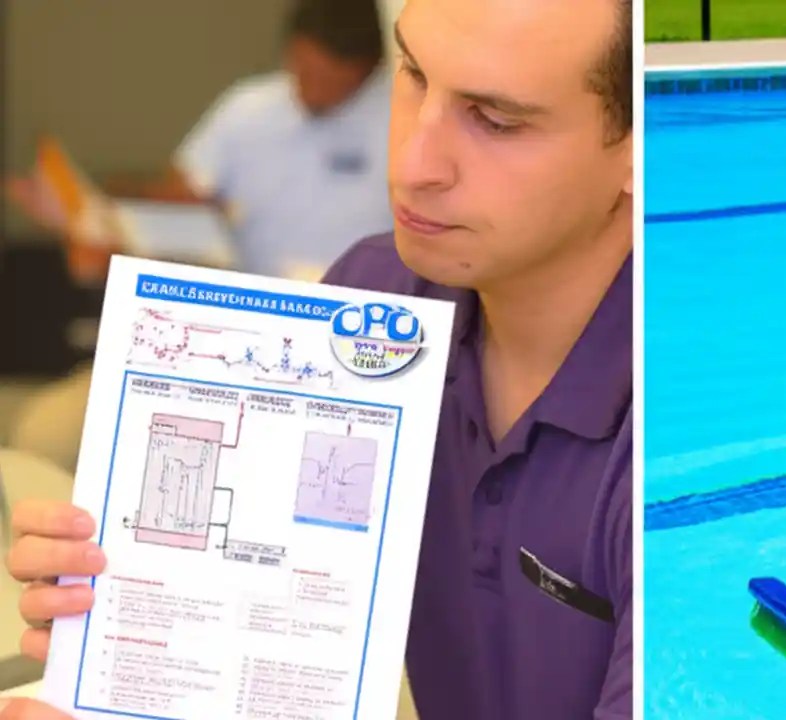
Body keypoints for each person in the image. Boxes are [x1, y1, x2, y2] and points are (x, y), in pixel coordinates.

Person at [0, 0, 633, 718]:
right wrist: (132, 629)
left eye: (495, 120)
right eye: (416, 75)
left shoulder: (683, 452)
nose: (413, 164)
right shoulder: (372, 300)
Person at [5, 0, 394, 280]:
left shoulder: (401, 115)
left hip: (364, 311)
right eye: (304, 72)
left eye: (331, 81)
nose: (312, 92)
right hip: (248, 301)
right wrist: (89, 216)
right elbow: (178, 198)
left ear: (370, 69)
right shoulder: (248, 108)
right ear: (290, 50)